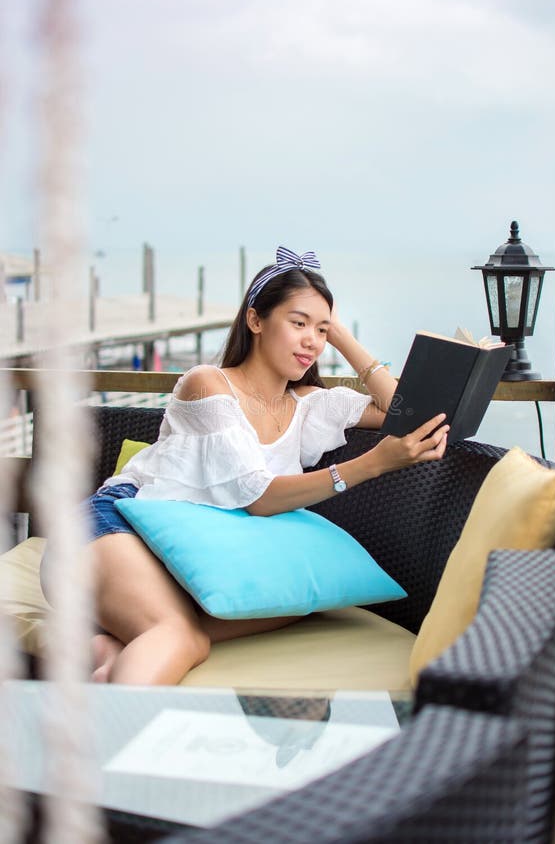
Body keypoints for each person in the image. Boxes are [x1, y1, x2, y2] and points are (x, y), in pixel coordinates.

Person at [57, 246, 449, 685]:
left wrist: (341, 336)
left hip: (190, 558)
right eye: (298, 323)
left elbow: (411, 415)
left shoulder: (311, 406)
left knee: (292, 610)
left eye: (320, 331)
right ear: (256, 320)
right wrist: (371, 464)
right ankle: (119, 744)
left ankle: (108, 652)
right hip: (115, 526)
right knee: (182, 637)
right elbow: (258, 496)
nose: (311, 341)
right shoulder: (208, 384)